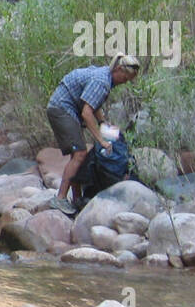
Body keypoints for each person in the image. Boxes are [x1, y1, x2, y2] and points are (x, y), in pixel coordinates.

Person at [46, 53, 140, 214]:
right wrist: (101, 140)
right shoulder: (102, 81)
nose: (124, 82)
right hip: (62, 109)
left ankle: (76, 199)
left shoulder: (105, 76)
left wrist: (102, 122)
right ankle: (60, 198)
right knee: (80, 153)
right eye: (125, 78)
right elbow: (86, 113)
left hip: (65, 109)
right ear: (118, 69)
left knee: (77, 153)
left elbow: (91, 103)